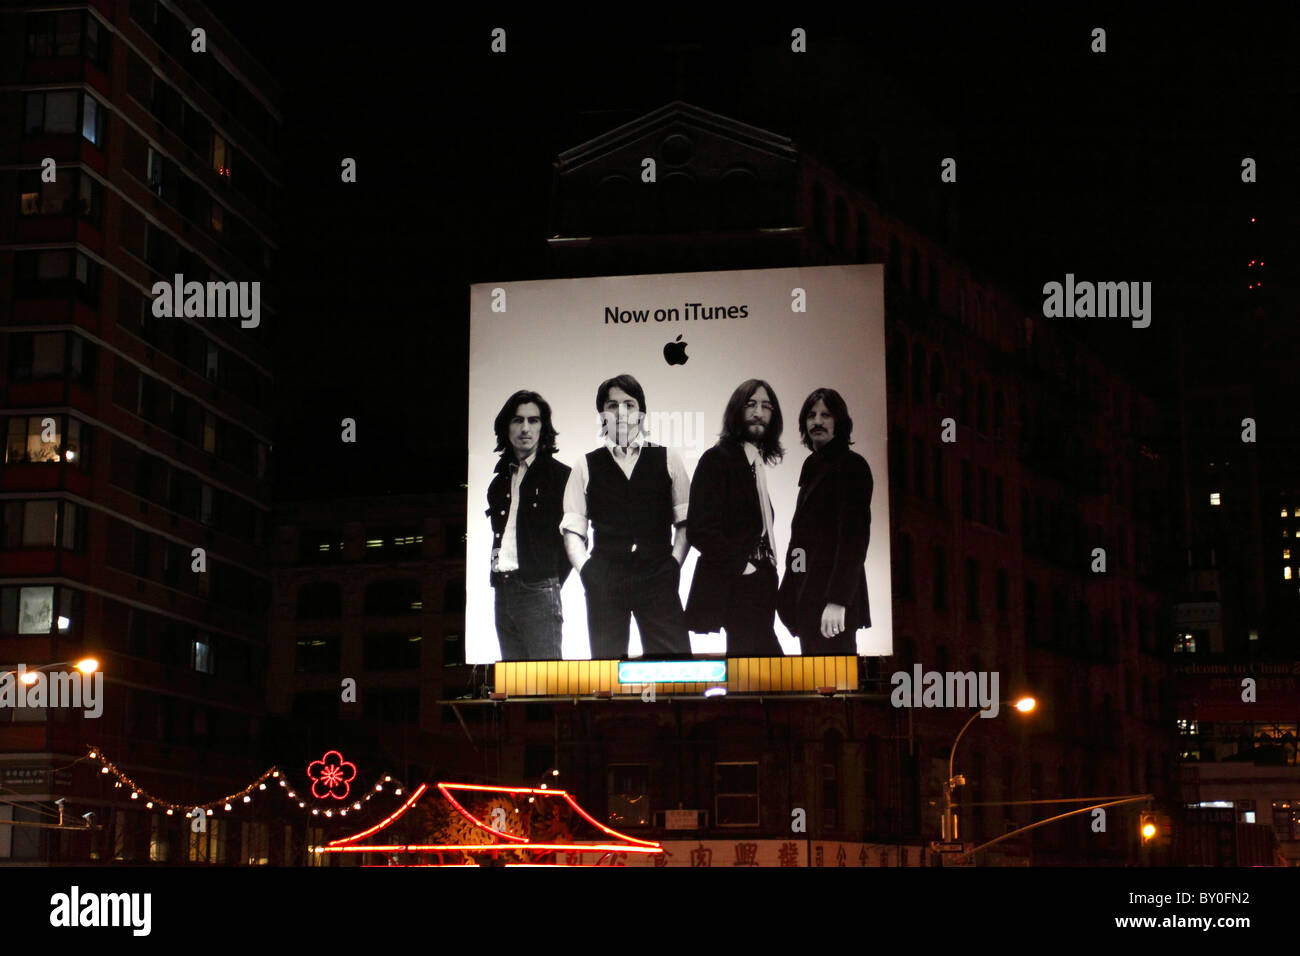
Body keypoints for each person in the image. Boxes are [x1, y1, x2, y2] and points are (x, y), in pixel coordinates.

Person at [561, 374, 691, 658]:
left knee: (675, 667)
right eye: (612, 405)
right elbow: (573, 529)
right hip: (605, 576)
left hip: (658, 573)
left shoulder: (669, 458)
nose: (621, 413)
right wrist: (589, 572)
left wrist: (673, 565)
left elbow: (685, 522)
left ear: (641, 414)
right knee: (607, 672)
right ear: (602, 416)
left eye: (629, 405)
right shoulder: (585, 465)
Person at [685, 379, 785, 656]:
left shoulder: (756, 465)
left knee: (755, 667)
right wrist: (743, 566)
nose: (758, 412)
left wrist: (767, 567)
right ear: (736, 411)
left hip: (763, 577)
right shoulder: (717, 459)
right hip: (738, 580)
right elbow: (699, 529)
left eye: (766, 406)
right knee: (762, 667)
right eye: (750, 404)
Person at [776, 387, 873, 655]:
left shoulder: (852, 465)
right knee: (817, 686)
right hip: (808, 600)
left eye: (826, 415)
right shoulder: (812, 467)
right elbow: (800, 541)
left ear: (839, 423)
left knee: (834, 686)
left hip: (831, 608)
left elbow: (854, 540)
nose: (817, 421)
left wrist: (838, 600)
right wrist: (789, 595)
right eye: (811, 415)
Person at [487, 390, 571, 661]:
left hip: (538, 589)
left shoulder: (560, 477)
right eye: (517, 420)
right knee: (515, 685)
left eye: (533, 421)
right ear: (506, 427)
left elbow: (575, 539)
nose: (525, 428)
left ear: (543, 427)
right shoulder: (498, 482)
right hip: (503, 588)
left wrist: (548, 580)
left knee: (546, 684)